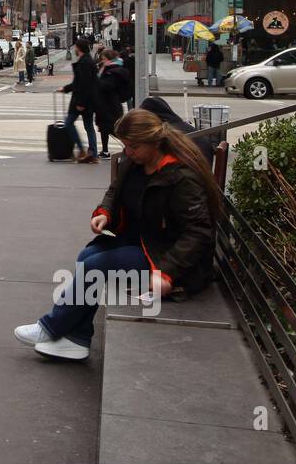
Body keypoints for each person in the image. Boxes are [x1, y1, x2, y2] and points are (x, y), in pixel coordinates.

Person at [14, 108, 223, 360]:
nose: (128, 151)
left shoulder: (181, 177)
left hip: (170, 257)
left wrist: (167, 272)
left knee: (97, 265)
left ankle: (52, 328)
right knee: (87, 255)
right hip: (148, 241)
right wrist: (105, 213)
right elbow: (115, 191)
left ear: (154, 142)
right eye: (125, 146)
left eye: (133, 146)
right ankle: (76, 339)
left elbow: (198, 231)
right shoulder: (135, 162)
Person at [58, 38, 99, 164]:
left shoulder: (85, 62)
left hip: (81, 100)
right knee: (89, 127)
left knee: (69, 123)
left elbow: (84, 84)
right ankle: (92, 153)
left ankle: (83, 150)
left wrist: (81, 103)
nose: (74, 49)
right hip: (87, 99)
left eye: (75, 47)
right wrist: (65, 88)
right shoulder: (86, 60)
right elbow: (79, 82)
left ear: (79, 48)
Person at [95, 49, 132, 159]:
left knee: (113, 129)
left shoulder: (113, 71)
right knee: (103, 128)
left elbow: (109, 86)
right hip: (105, 104)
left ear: (109, 59)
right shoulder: (107, 69)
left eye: (103, 59)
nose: (101, 61)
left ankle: (131, 147)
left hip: (111, 105)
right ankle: (105, 150)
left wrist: (97, 81)